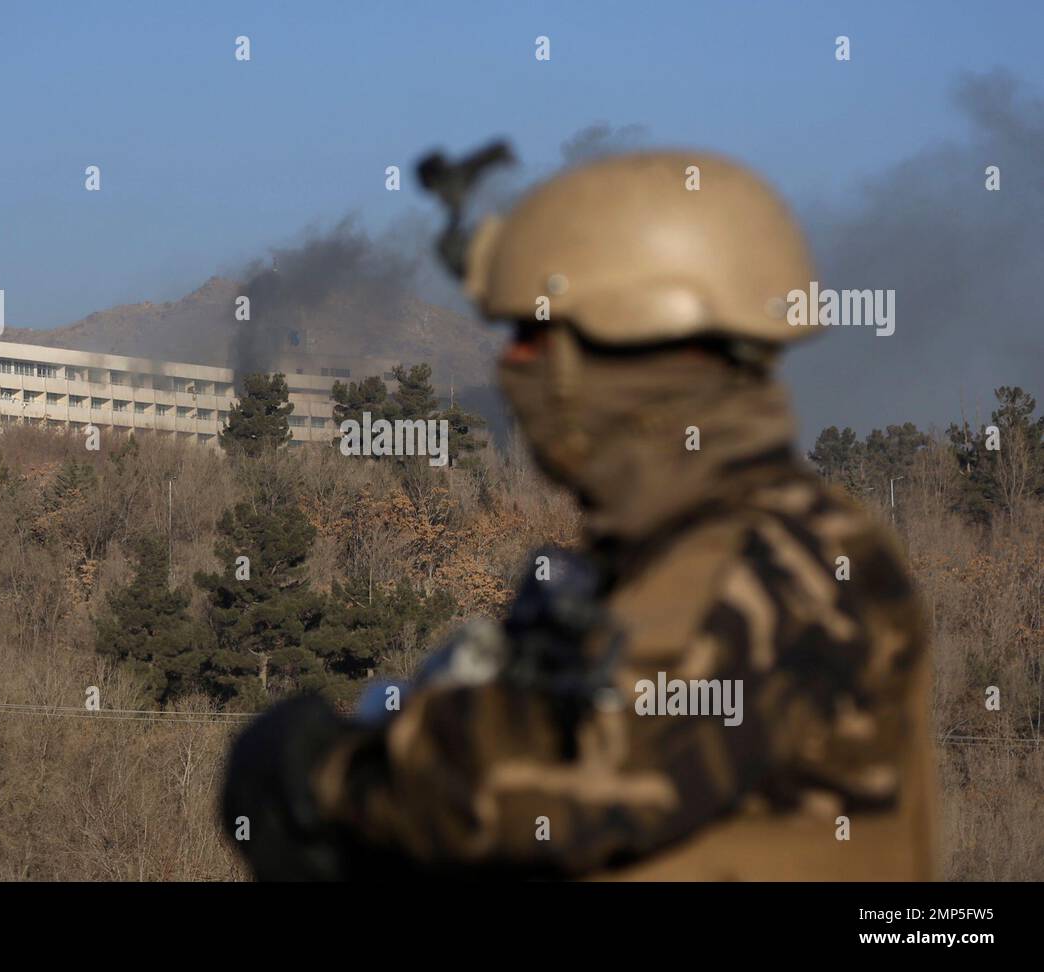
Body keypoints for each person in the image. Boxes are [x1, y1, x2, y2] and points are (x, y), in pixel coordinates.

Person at [221, 149, 937, 881]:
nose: (513, 367)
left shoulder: (765, 558)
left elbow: (579, 781)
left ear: (619, 341)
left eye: (533, 335)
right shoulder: (670, 550)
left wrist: (327, 777)